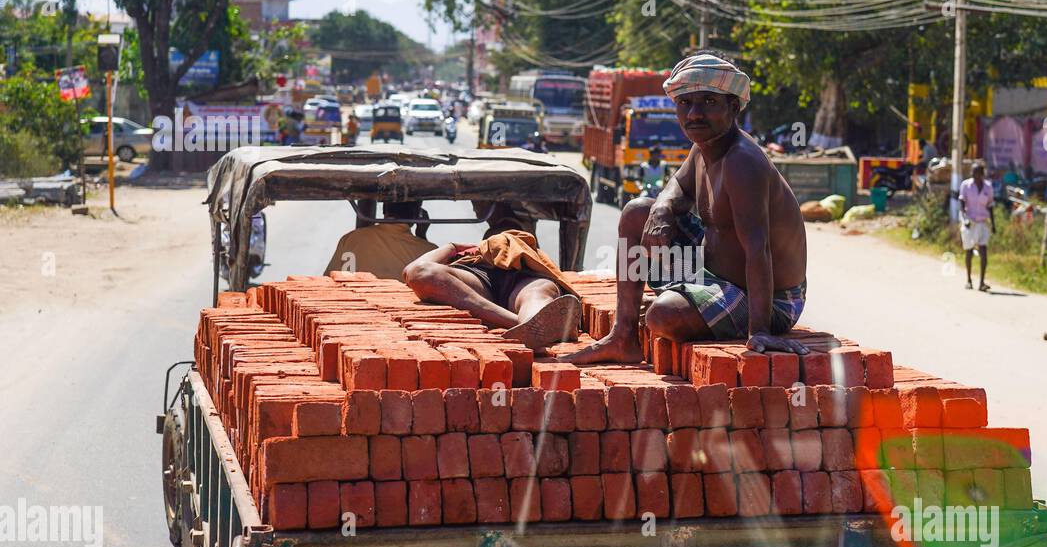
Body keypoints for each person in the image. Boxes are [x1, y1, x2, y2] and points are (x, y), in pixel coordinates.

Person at [561, 52, 809, 365]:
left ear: (733, 107)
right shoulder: (703, 147)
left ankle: (726, 315)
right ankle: (623, 336)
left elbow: (759, 250)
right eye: (685, 103)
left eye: (708, 102)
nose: (693, 114)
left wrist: (759, 330)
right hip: (714, 271)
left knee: (663, 315)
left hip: (769, 297)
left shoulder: (741, 162)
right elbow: (677, 187)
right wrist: (663, 208)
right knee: (639, 211)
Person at [403, 228, 580, 352]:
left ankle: (534, 322)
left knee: (536, 295)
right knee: (420, 273)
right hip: (477, 280)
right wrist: (453, 247)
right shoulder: (469, 257)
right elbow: (412, 271)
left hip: (526, 278)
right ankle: (525, 326)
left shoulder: (534, 260)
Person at [324, 200, 437, 281]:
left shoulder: (351, 238)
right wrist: (422, 236)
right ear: (418, 215)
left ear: (384, 209)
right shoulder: (430, 250)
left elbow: (328, 280)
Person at [959, 160, 996, 292]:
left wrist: (993, 224)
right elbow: (962, 203)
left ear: (982, 173)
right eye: (973, 172)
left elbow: (990, 206)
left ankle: (982, 282)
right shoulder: (966, 185)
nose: (975, 175)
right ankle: (968, 280)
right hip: (970, 222)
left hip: (983, 222)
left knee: (983, 250)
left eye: (978, 173)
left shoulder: (988, 187)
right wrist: (965, 219)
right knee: (969, 250)